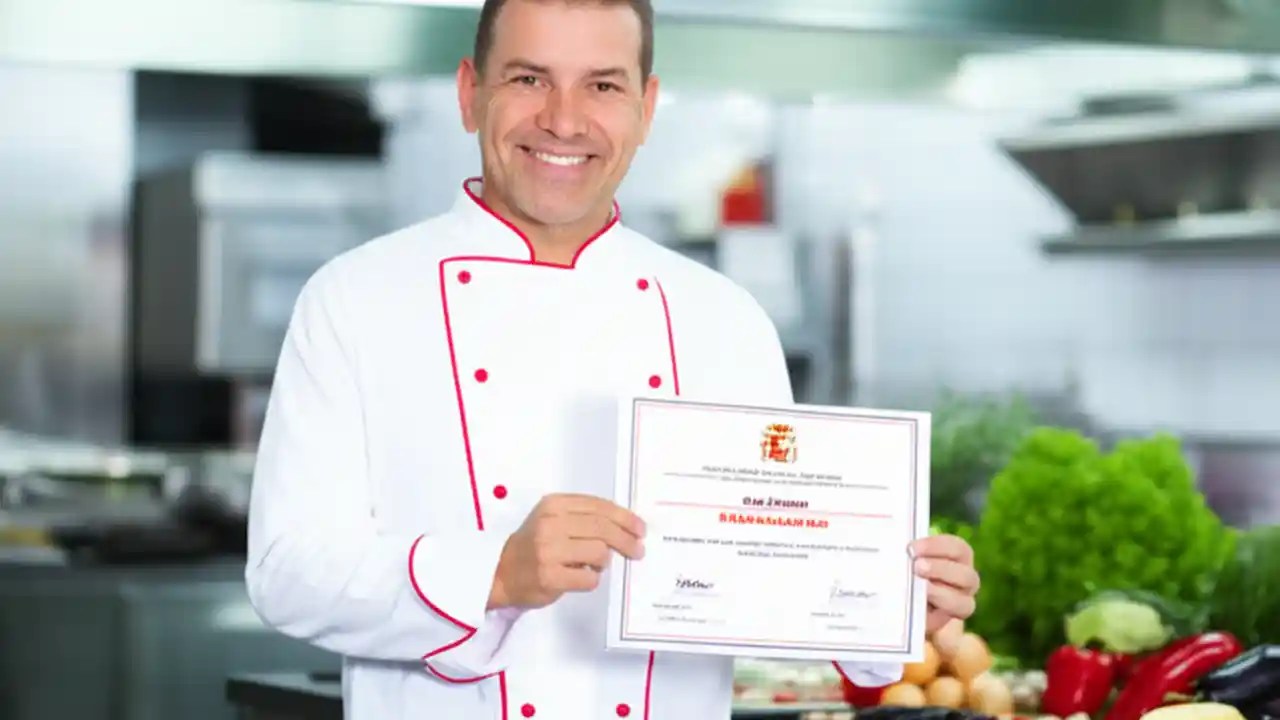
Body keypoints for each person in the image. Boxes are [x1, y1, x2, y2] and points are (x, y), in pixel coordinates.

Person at [244, 0, 981, 717]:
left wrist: (891, 603)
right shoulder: (356, 300)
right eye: (529, 79)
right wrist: (495, 573)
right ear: (471, 94)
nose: (564, 120)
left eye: (602, 85)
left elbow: (768, 569)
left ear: (646, 108)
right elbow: (286, 574)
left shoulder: (725, 321)